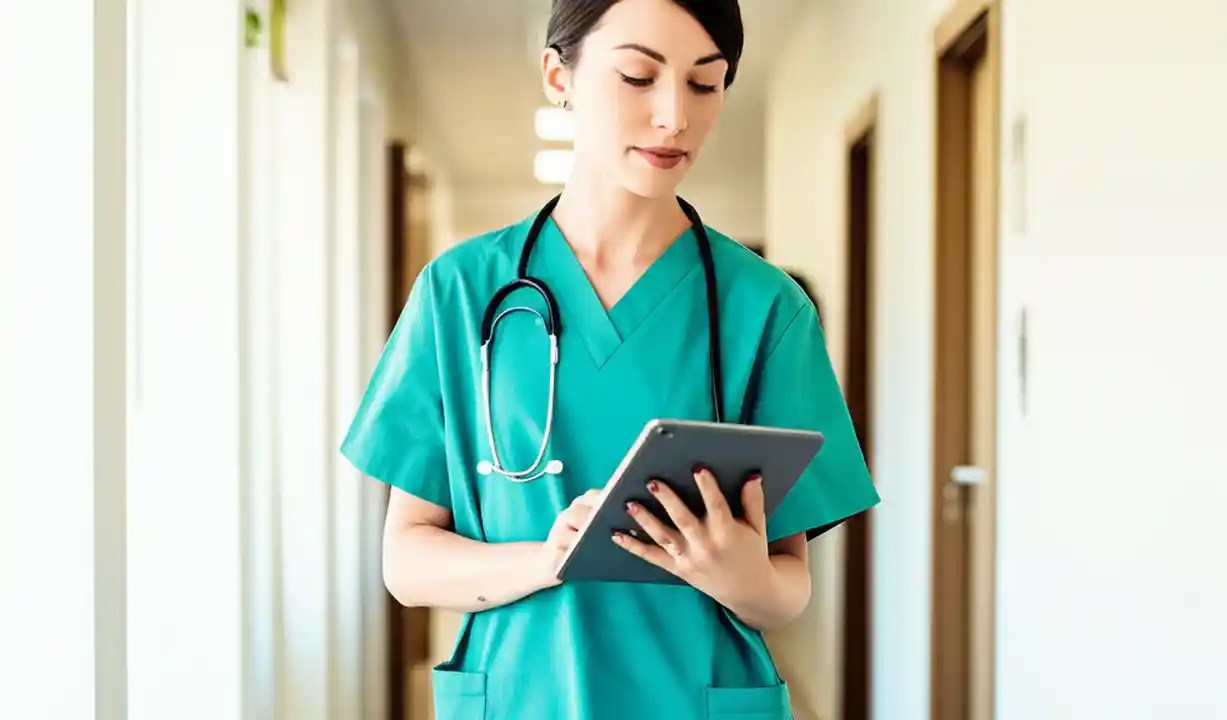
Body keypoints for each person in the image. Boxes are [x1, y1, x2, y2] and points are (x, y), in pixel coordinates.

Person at [339, 0, 879, 717]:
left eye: (704, 84)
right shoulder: (461, 292)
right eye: (637, 76)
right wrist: (544, 559)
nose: (673, 116)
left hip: (694, 694)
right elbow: (406, 563)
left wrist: (738, 572)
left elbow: (788, 589)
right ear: (558, 75)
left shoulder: (766, 309)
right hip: (520, 695)